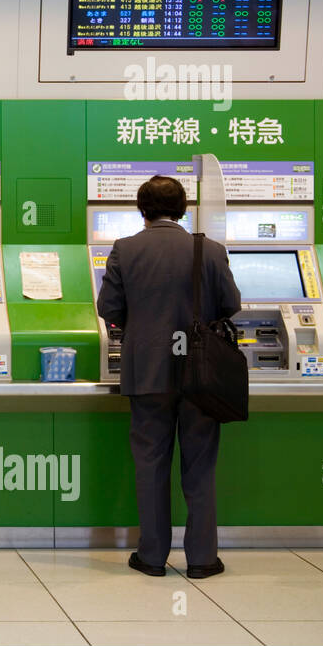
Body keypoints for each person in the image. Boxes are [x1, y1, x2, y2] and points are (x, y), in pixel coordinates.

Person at [97, 175, 241, 580]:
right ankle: (202, 558)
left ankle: (152, 556)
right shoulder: (210, 250)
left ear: (141, 209)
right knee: (200, 467)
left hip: (149, 372)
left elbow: (109, 306)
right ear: (183, 207)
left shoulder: (125, 250)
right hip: (201, 376)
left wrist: (142, 326)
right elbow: (231, 304)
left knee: (151, 465)